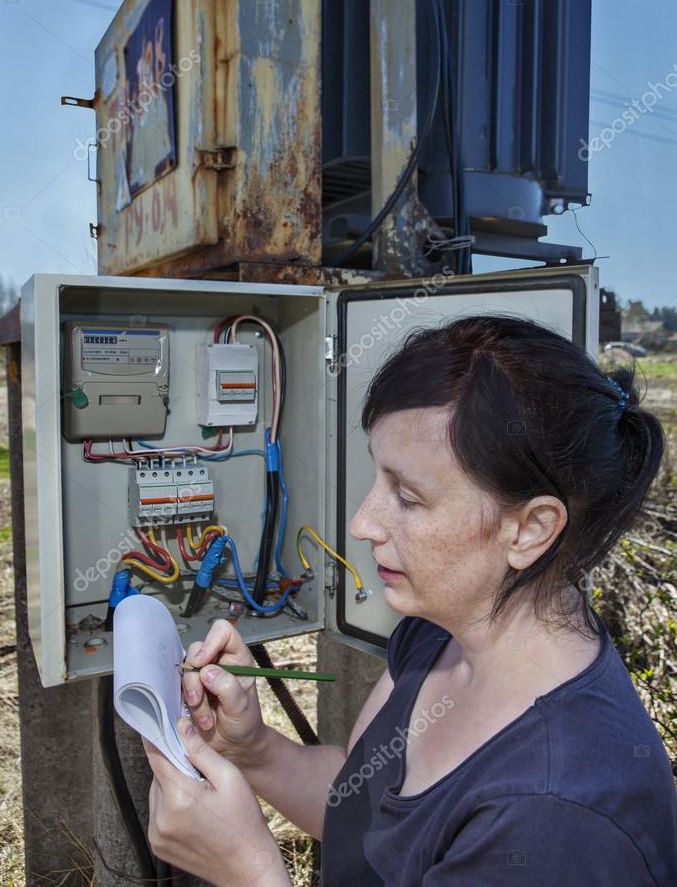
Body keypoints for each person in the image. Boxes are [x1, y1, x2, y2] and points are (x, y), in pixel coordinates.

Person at [144, 315, 677, 885]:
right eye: (377, 478)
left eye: (408, 496)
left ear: (529, 530)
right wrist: (255, 751)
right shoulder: (443, 632)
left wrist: (247, 870)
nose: (362, 523)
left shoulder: (556, 818)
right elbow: (358, 808)